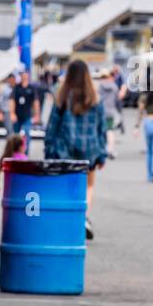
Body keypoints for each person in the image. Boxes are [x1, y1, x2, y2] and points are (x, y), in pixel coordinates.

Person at [43, 59, 107, 239]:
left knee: (64, 184)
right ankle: (83, 216)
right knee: (89, 185)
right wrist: (102, 154)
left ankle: (68, 217)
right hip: (90, 150)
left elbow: (52, 127)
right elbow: (102, 129)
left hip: (64, 150)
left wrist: (49, 150)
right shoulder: (95, 99)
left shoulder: (62, 98)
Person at [9, 69, 42, 152]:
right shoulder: (17, 88)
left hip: (27, 116)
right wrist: (12, 113)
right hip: (17, 115)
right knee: (16, 135)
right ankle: (15, 153)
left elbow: (36, 102)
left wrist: (37, 115)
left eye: (25, 74)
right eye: (22, 74)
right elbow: (12, 100)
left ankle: (25, 154)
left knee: (27, 134)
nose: (24, 76)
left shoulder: (32, 88)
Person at [96, 67, 122, 159]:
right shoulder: (114, 86)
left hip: (100, 111)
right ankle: (110, 150)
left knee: (100, 130)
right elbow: (117, 100)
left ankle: (102, 149)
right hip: (110, 112)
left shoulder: (98, 86)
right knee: (110, 130)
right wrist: (119, 111)